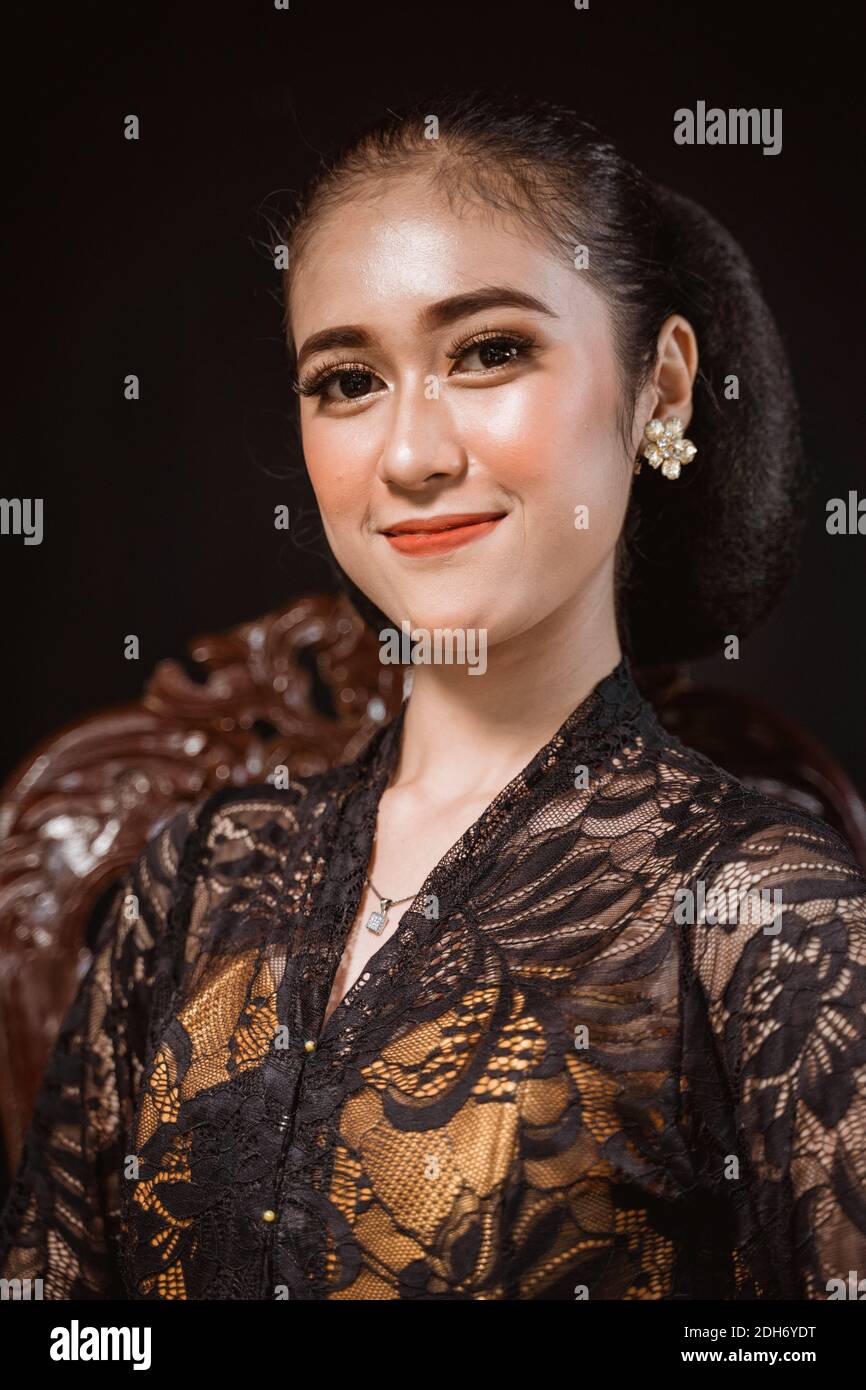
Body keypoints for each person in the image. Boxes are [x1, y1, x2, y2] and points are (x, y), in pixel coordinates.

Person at [2, 91, 865, 1301]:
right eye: (347, 380)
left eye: (489, 352)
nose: (409, 454)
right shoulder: (192, 879)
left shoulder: (767, 920)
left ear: (662, 388)